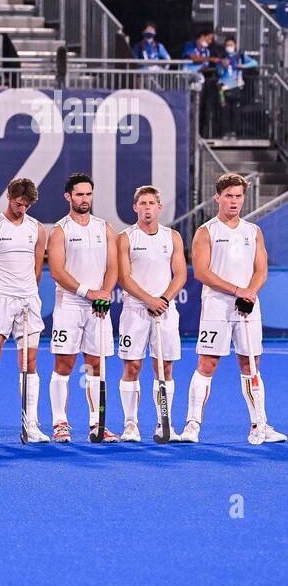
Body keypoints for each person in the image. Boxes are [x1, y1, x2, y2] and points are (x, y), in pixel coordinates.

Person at [178, 173, 285, 444]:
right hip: (217, 307)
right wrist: (237, 291)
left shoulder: (253, 232)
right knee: (207, 363)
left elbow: (261, 269)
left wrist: (250, 293)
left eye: (238, 196)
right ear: (218, 198)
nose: (234, 201)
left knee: (251, 365)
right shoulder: (206, 231)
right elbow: (202, 272)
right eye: (229, 196)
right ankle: (192, 425)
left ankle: (259, 424)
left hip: (248, 307)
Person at [0, 177, 48, 443]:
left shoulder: (37, 229)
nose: (22, 209)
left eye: (27, 205)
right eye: (18, 203)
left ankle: (31, 425)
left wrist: (27, 292)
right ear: (9, 197)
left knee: (29, 365)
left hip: (28, 302)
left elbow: (38, 269)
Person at [46, 173, 119, 443]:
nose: (85, 199)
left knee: (95, 365)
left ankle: (96, 424)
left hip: (98, 308)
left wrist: (105, 294)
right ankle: (60, 423)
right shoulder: (60, 230)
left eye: (88, 194)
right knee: (64, 364)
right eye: (79, 194)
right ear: (68, 197)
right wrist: (88, 292)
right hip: (70, 306)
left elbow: (114, 267)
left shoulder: (105, 228)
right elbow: (56, 271)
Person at [115, 185, 186, 442]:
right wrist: (148, 299)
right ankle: (130, 425)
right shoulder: (125, 237)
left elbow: (181, 274)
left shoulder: (172, 237)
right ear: (135, 207)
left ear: (159, 207)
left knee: (165, 368)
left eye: (151, 203)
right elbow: (124, 277)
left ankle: (163, 423)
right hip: (135, 311)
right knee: (132, 366)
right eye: (142, 203)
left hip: (165, 311)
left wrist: (163, 300)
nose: (147, 208)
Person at [217, 35, 258, 140]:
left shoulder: (240, 57)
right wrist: (222, 66)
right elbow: (219, 72)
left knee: (235, 111)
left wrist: (242, 66)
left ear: (235, 45)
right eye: (227, 45)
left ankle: (234, 132)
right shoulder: (222, 57)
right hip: (224, 88)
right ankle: (225, 132)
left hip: (236, 87)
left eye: (231, 45)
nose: (229, 47)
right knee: (224, 111)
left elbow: (254, 63)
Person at [183, 27, 221, 138]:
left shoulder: (206, 51)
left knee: (198, 106)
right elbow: (194, 58)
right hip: (187, 79)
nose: (210, 42)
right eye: (209, 39)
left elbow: (203, 67)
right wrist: (210, 59)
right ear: (202, 37)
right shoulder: (190, 45)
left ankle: (196, 132)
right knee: (188, 106)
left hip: (199, 80)